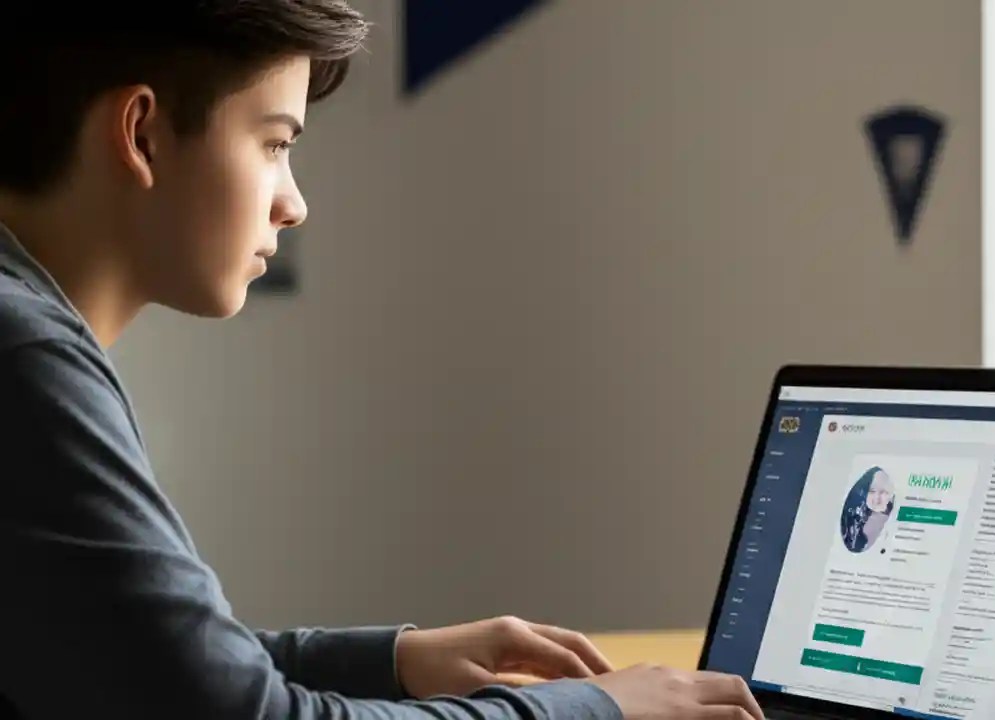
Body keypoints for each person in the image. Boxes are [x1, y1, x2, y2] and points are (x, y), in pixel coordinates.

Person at [0, 4, 764, 720]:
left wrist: (392, 660)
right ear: (142, 136)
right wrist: (596, 708)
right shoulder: (26, 358)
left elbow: (154, 665)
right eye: (274, 143)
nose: (291, 203)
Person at [840, 467, 896, 553]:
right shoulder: (853, 520)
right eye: (872, 491)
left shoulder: (886, 524)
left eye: (883, 492)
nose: (876, 498)